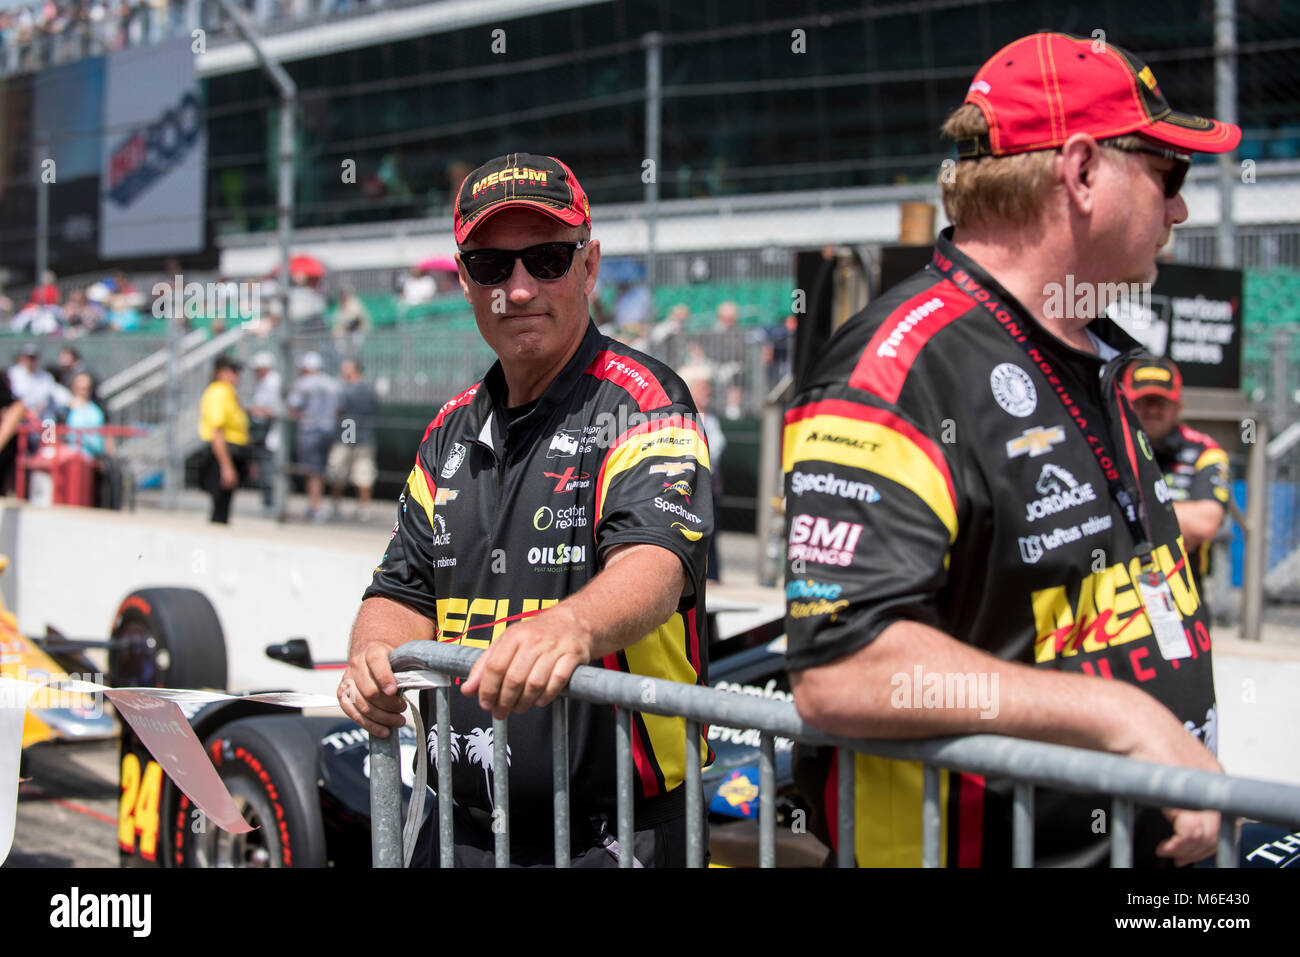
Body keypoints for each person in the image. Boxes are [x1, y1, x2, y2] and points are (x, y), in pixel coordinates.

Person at [783, 32, 1239, 868]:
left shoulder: (1094, 355)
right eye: (1169, 175)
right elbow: (841, 667)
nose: (1180, 209)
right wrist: (1123, 716)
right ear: (1082, 170)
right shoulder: (895, 367)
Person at [339, 152, 715, 867]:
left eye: (545, 259)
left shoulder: (644, 403)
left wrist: (568, 626)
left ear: (589, 265)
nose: (518, 288)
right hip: (460, 828)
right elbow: (398, 589)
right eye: (491, 265)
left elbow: (656, 564)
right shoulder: (447, 430)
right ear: (465, 279)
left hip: (615, 832)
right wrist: (371, 657)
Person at [1122, 357, 1230, 601]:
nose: (1152, 410)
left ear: (1178, 405)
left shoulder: (1205, 450)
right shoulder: (1107, 448)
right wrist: (1176, 523)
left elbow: (1205, 522)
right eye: (1143, 401)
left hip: (1185, 592)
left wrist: (1125, 513)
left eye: (1160, 402)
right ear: (1126, 404)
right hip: (1118, 596)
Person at [286, 350, 340, 522]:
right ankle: (327, 505)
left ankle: (315, 507)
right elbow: (340, 410)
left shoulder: (303, 383)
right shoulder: (333, 383)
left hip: (310, 432)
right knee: (323, 470)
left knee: (313, 472)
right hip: (329, 431)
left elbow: (292, 408)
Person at [197, 355, 250, 524]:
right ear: (220, 372)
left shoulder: (229, 392)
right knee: (219, 506)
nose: (236, 376)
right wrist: (226, 465)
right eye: (232, 371)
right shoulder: (219, 392)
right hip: (222, 452)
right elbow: (217, 432)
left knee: (224, 504)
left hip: (231, 452)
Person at [326, 358, 378, 521]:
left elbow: (338, 409)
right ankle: (341, 506)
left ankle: (360, 507)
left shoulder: (356, 388)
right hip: (351, 436)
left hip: (356, 437)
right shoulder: (360, 387)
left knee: (361, 473)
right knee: (339, 472)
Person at [245, 350, 283, 514]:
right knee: (263, 469)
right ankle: (268, 502)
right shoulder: (263, 382)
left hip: (271, 433)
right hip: (263, 432)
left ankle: (273, 504)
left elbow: (274, 410)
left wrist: (253, 410)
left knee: (270, 471)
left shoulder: (274, 382)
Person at [61, 371, 113, 461]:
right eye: (81, 387)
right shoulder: (66, 409)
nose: (84, 390)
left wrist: (110, 452)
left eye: (86, 388)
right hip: (74, 456)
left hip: (96, 455)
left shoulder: (97, 408)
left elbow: (106, 430)